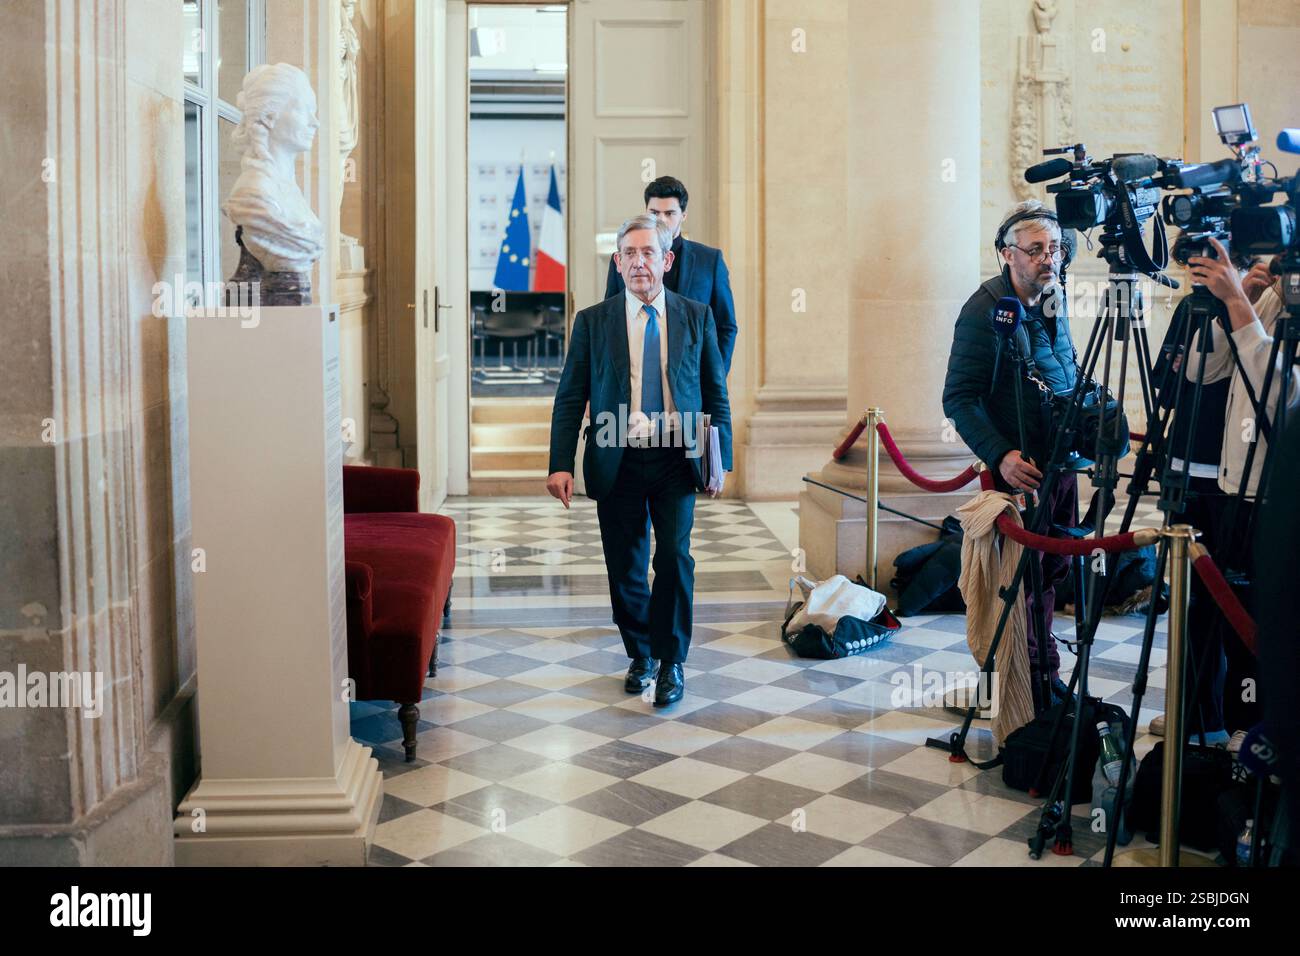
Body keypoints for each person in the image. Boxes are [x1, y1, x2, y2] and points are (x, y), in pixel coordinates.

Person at [547, 214, 732, 707]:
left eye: (648, 253)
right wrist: (560, 463)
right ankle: (640, 651)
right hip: (617, 454)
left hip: (677, 455)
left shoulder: (696, 316)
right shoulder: (593, 321)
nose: (638, 263)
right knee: (624, 563)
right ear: (617, 262)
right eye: (628, 254)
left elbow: (715, 391)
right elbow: (570, 396)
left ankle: (672, 662)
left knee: (673, 555)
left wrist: (722, 461)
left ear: (667, 261)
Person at [943, 200, 1079, 708]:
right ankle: (1014, 682)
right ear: (1008, 255)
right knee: (1019, 582)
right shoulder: (983, 312)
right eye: (1037, 250)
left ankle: (1039, 675)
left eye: (1056, 249)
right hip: (1016, 473)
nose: (1049, 259)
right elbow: (958, 397)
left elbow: (1060, 371)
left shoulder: (1052, 298)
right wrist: (1000, 455)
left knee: (1051, 574)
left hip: (1059, 463)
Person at [1176, 239, 1299, 734]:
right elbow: (1199, 370)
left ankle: (1258, 747)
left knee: (1261, 632)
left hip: (1276, 491)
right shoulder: (1269, 291)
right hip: (1235, 483)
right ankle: (1213, 729)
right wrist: (1238, 302)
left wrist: (1237, 306)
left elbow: (1280, 396)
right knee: (1221, 616)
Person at [603, 176, 738, 374]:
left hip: (691, 379)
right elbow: (610, 320)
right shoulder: (626, 260)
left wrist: (715, 379)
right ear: (646, 212)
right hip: (635, 375)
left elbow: (726, 326)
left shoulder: (709, 260)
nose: (662, 220)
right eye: (655, 212)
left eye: (670, 213)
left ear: (683, 215)